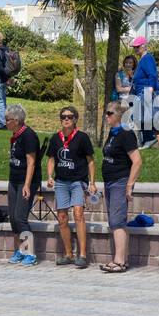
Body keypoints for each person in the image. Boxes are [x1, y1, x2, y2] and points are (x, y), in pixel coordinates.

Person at [44, 105, 96, 269]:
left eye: (69, 117)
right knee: (62, 217)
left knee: (79, 214)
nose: (66, 119)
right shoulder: (55, 138)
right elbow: (52, 159)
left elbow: (90, 160)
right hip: (61, 182)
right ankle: (68, 254)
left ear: (75, 119)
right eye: (63, 117)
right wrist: (50, 176)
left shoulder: (82, 137)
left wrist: (92, 183)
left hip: (78, 181)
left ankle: (82, 255)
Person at [98, 102, 141, 274]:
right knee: (116, 221)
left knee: (117, 221)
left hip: (120, 182)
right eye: (106, 113)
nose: (106, 116)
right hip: (110, 181)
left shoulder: (125, 133)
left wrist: (129, 185)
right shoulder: (113, 133)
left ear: (118, 115)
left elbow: (137, 161)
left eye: (109, 113)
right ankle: (123, 259)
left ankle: (119, 261)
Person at [4, 104, 40, 267]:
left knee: (21, 217)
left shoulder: (28, 136)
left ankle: (30, 252)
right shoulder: (16, 135)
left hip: (26, 182)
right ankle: (21, 249)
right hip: (14, 180)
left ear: (16, 120)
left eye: (7, 120)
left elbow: (31, 162)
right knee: (13, 218)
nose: (5, 123)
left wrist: (26, 185)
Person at [129, 36, 159, 146]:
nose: (135, 49)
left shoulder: (147, 58)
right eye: (134, 47)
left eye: (137, 47)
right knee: (141, 116)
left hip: (146, 91)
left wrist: (151, 87)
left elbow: (152, 74)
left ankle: (149, 137)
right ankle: (146, 139)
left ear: (143, 46)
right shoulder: (142, 59)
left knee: (136, 116)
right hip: (140, 91)